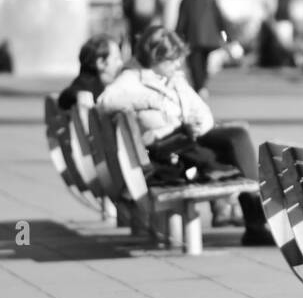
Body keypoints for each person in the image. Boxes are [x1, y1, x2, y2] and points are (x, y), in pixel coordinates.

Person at [97, 26, 271, 244]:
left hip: (189, 136)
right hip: (170, 147)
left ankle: (256, 217)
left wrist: (200, 123)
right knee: (230, 148)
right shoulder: (132, 78)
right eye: (171, 60)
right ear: (154, 57)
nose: (177, 64)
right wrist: (151, 101)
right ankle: (255, 222)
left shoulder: (173, 77)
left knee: (238, 135)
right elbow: (105, 101)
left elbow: (201, 110)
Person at [175, 0, 235, 96]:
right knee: (203, 62)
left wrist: (177, 36)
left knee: (194, 63)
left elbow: (182, 21)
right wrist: (227, 37)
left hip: (192, 38)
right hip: (209, 39)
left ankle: (200, 86)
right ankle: (202, 85)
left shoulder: (186, 0)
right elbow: (220, 20)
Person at [57, 35, 124, 111]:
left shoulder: (91, 84)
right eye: (117, 58)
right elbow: (68, 95)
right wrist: (78, 94)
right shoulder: (87, 84)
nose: (121, 63)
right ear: (101, 63)